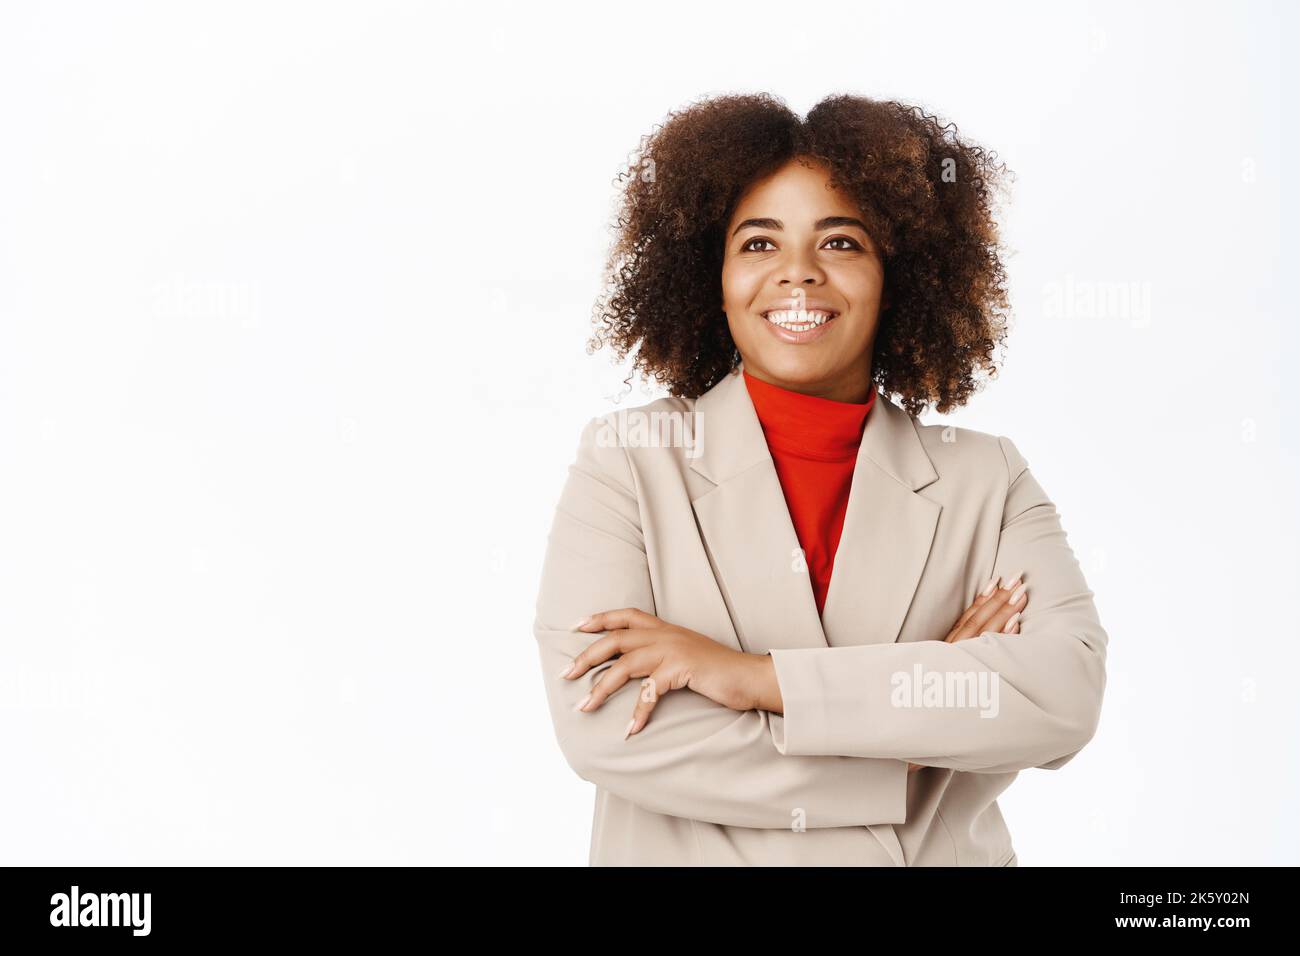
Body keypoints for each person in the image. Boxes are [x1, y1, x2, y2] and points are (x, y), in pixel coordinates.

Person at [533, 92, 1107, 866]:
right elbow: (607, 729)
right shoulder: (629, 460)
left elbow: (1062, 695)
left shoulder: (986, 477)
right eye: (759, 245)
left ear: (896, 273)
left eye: (840, 243)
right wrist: (911, 748)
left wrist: (752, 679)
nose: (797, 275)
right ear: (714, 273)